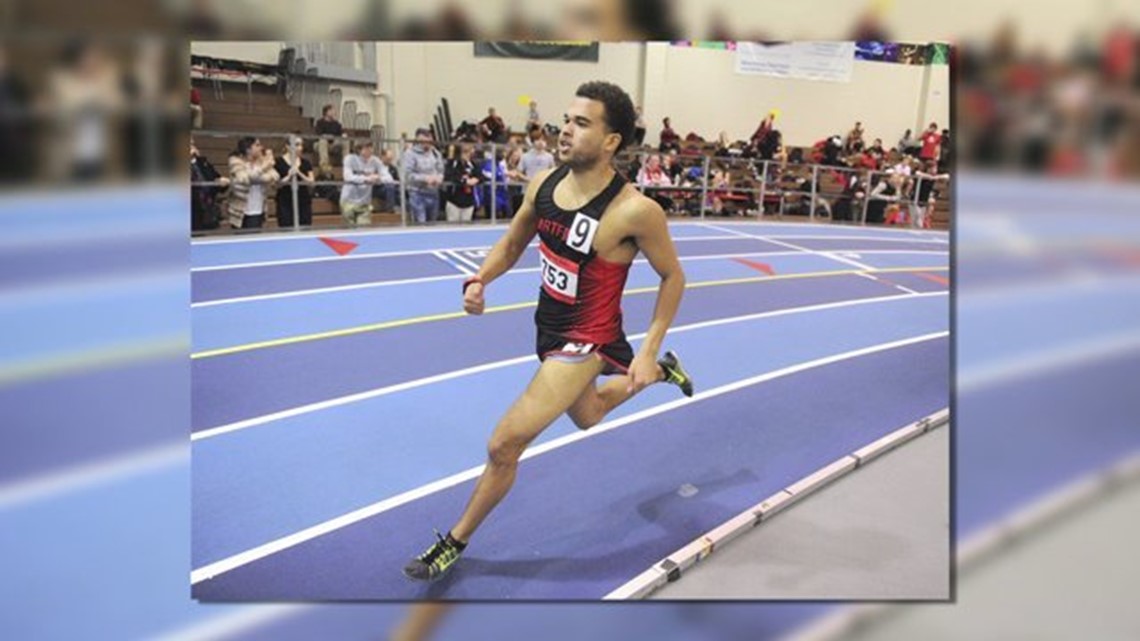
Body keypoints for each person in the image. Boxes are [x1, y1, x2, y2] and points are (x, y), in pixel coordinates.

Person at [403, 80, 694, 582]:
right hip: (549, 329)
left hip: (587, 339)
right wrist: (481, 278)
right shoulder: (544, 183)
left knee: (503, 444)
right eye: (567, 119)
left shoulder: (635, 211)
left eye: (583, 123)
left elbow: (674, 276)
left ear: (611, 141)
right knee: (589, 415)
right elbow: (514, 239)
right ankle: (666, 375)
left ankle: (454, 542)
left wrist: (648, 348)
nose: (566, 129)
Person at [226, 136, 278, 229]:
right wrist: (264, 168)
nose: (261, 148)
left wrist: (256, 175)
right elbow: (243, 178)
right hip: (241, 210)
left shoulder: (261, 160)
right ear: (248, 149)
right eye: (257, 145)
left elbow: (275, 176)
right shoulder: (235, 160)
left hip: (258, 209)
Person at [402, 127, 445, 224]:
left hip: (434, 193)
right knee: (421, 224)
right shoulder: (410, 154)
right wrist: (424, 178)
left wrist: (440, 177)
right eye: (425, 141)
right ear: (418, 140)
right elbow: (407, 175)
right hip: (417, 194)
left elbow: (441, 169)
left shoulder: (435, 153)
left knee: (432, 224)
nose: (428, 143)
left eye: (430, 140)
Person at [341, 140, 385, 227]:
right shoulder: (349, 159)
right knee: (350, 232)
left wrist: (379, 178)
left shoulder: (375, 160)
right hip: (348, 201)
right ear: (359, 150)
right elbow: (347, 177)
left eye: (371, 147)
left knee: (364, 229)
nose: (371, 150)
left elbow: (387, 176)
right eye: (367, 148)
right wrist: (366, 178)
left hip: (364, 203)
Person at [275, 134, 316, 228]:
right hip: (285, 201)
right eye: (297, 145)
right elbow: (276, 185)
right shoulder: (278, 162)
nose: (300, 148)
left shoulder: (306, 162)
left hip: (303, 201)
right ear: (287, 146)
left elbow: (312, 183)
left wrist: (299, 173)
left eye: (301, 145)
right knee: (286, 229)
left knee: (305, 228)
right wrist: (289, 176)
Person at [444, 143, 480, 223]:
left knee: (466, 228)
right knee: (453, 228)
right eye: (464, 152)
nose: (467, 154)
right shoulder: (453, 163)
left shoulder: (473, 164)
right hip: (454, 202)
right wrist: (465, 181)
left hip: (468, 202)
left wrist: (476, 179)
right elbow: (449, 175)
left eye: (469, 152)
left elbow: (481, 176)